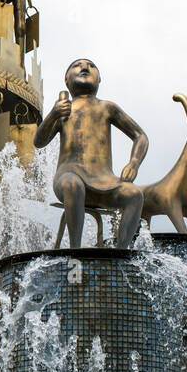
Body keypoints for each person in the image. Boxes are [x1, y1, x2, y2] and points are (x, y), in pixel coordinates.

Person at [33, 58, 148, 247]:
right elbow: (39, 142)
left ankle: (120, 253)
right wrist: (53, 114)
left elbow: (140, 136)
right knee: (73, 185)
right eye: (77, 65)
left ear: (99, 79)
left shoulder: (107, 108)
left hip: (105, 182)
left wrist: (134, 163)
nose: (85, 67)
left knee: (135, 194)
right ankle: (75, 249)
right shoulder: (64, 109)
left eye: (91, 66)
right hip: (69, 177)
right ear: (66, 80)